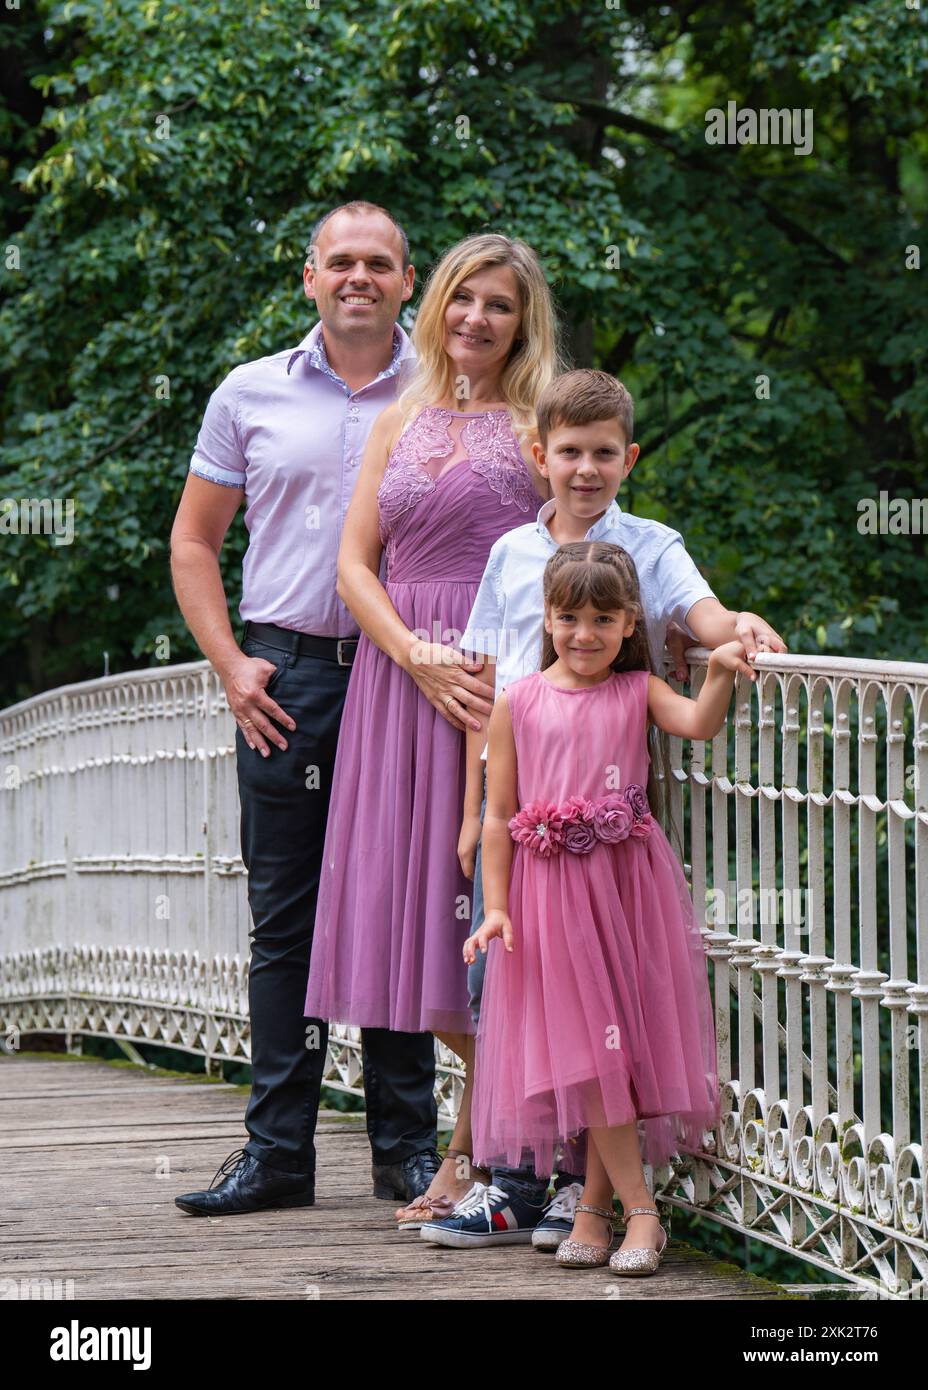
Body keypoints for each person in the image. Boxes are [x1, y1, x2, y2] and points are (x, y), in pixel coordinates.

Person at [421, 368, 786, 1249]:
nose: (587, 469)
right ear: (540, 455)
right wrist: (477, 807)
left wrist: (735, 630)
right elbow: (485, 677)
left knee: (608, 1008)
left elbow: (701, 613)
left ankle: (579, 1197)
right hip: (521, 803)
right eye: (570, 453)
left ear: (629, 457)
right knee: (508, 996)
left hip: (610, 835)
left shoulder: (650, 547)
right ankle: (518, 1178)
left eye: (605, 454)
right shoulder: (511, 555)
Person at [170, 201, 447, 1216]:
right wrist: (230, 664)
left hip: (406, 671)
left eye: (379, 262)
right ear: (310, 276)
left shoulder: (451, 389)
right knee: (284, 923)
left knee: (403, 906)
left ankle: (405, 1152)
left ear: (408, 279)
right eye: (342, 262)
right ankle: (276, 1153)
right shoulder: (248, 392)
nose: (359, 277)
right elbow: (194, 542)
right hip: (287, 677)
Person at [303, 232, 560, 1226]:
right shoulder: (397, 417)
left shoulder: (542, 418)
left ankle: (489, 1161)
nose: (475, 320)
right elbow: (353, 566)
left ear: (521, 319)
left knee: (482, 928)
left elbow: (589, 547)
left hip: (496, 687)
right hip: (398, 680)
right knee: (413, 934)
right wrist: (413, 653)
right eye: (461, 299)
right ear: (435, 305)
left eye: (498, 305)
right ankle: (494, 1155)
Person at [465, 540, 751, 1276]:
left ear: (629, 623)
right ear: (547, 617)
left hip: (627, 889)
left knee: (612, 1053)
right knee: (591, 1055)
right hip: (550, 897)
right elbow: (500, 816)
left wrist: (719, 671)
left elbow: (699, 724)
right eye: (568, 617)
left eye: (602, 618)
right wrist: (495, 908)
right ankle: (633, 1209)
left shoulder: (636, 691)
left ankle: (610, 1210)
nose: (583, 634)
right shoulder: (518, 701)